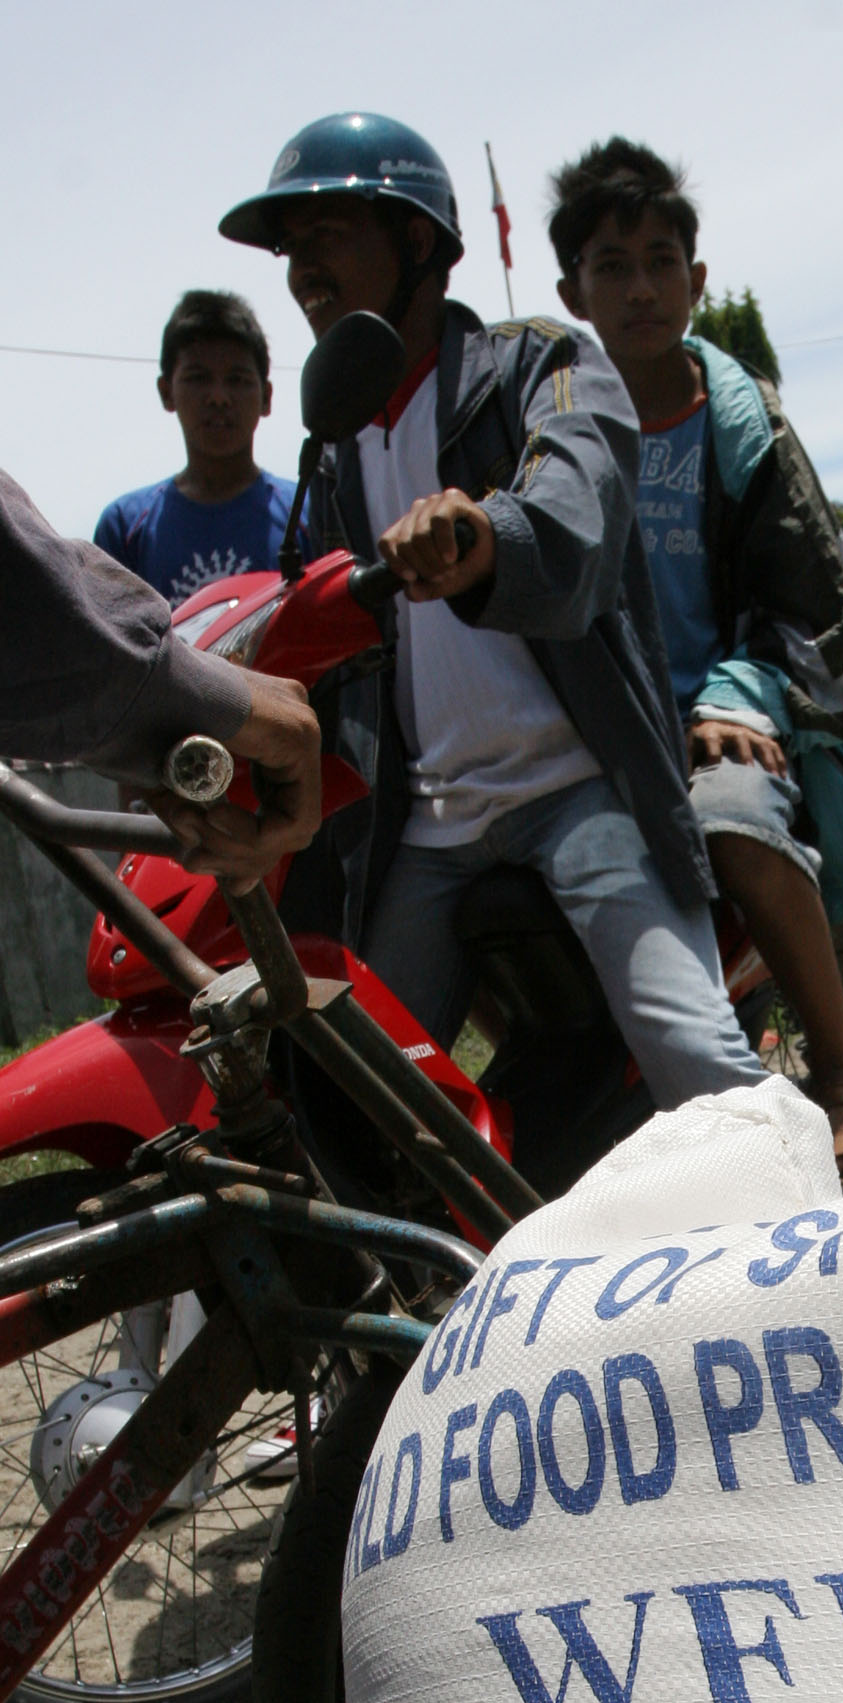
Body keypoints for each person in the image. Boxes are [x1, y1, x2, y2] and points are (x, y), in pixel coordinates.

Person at [218, 114, 767, 1115]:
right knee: (357, 1091)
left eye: (325, 234)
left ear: (417, 241)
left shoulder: (538, 362)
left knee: (697, 1062)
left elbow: (579, 490)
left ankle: (825, 1237)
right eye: (288, 247)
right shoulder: (337, 441)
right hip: (428, 815)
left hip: (576, 784)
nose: (300, 266)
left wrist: (483, 534)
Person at [546, 136, 843, 1182]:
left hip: (742, 711)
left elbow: (808, 609)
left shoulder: (742, 426)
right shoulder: (553, 423)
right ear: (574, 289)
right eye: (613, 267)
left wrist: (738, 697)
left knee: (732, 822)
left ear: (697, 282)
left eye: (662, 261)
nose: (642, 287)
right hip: (605, 725)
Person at [1, 466, 319, 886]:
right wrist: (193, 695)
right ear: (169, 395)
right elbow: (50, 628)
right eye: (202, 391)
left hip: (189, 755)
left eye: (242, 391)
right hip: (181, 756)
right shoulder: (131, 521)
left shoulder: (302, 509)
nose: (219, 398)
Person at [93, 292, 299, 607]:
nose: (218, 397)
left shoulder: (306, 514)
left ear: (267, 397)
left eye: (237, 379)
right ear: (166, 392)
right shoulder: (125, 527)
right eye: (198, 378)